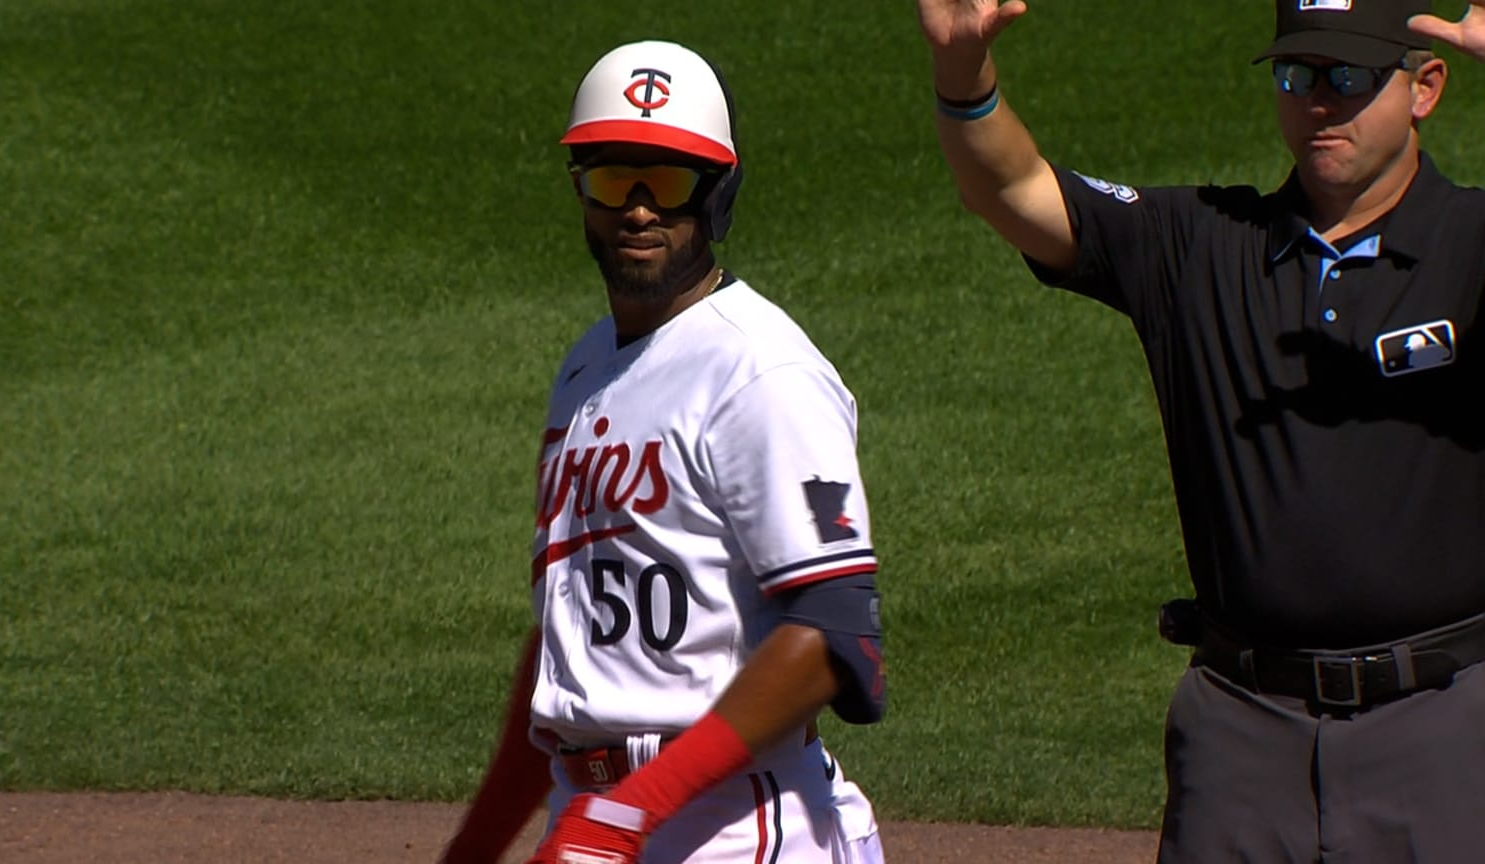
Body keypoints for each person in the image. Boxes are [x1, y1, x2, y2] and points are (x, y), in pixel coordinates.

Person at [915, 0, 1484, 861]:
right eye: (1298, 76)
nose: (1320, 101)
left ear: (1424, 87)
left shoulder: (1474, 243)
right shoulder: (1198, 243)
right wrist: (963, 73)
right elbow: (1009, 188)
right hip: (1241, 739)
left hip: (1442, 728)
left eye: (1351, 78)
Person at [437, 39, 887, 864]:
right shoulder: (584, 368)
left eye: (669, 181)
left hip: (737, 824)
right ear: (581, 191)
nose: (640, 209)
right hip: (598, 815)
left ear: (715, 196)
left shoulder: (760, 368)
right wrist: (476, 845)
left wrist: (632, 810)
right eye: (615, 178)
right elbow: (564, 642)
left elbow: (833, 631)